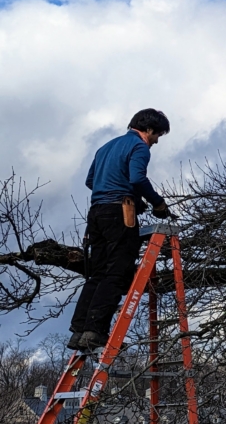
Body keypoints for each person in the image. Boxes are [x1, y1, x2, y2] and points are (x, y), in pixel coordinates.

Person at [68, 109, 175, 352]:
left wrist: (119, 190)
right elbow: (138, 179)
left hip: (97, 213)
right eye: (157, 134)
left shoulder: (106, 147)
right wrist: (157, 203)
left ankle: (79, 331)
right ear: (148, 130)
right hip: (120, 214)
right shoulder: (139, 147)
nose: (157, 140)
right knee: (117, 273)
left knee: (97, 273)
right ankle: (95, 332)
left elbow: (90, 182)